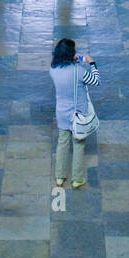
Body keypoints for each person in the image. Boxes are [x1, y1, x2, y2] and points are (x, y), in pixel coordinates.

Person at [49, 39, 100, 190]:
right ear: (71, 54)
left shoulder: (53, 69)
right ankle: (77, 179)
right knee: (78, 145)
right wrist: (92, 63)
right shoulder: (79, 71)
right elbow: (96, 81)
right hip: (78, 114)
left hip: (62, 113)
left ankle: (60, 177)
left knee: (62, 142)